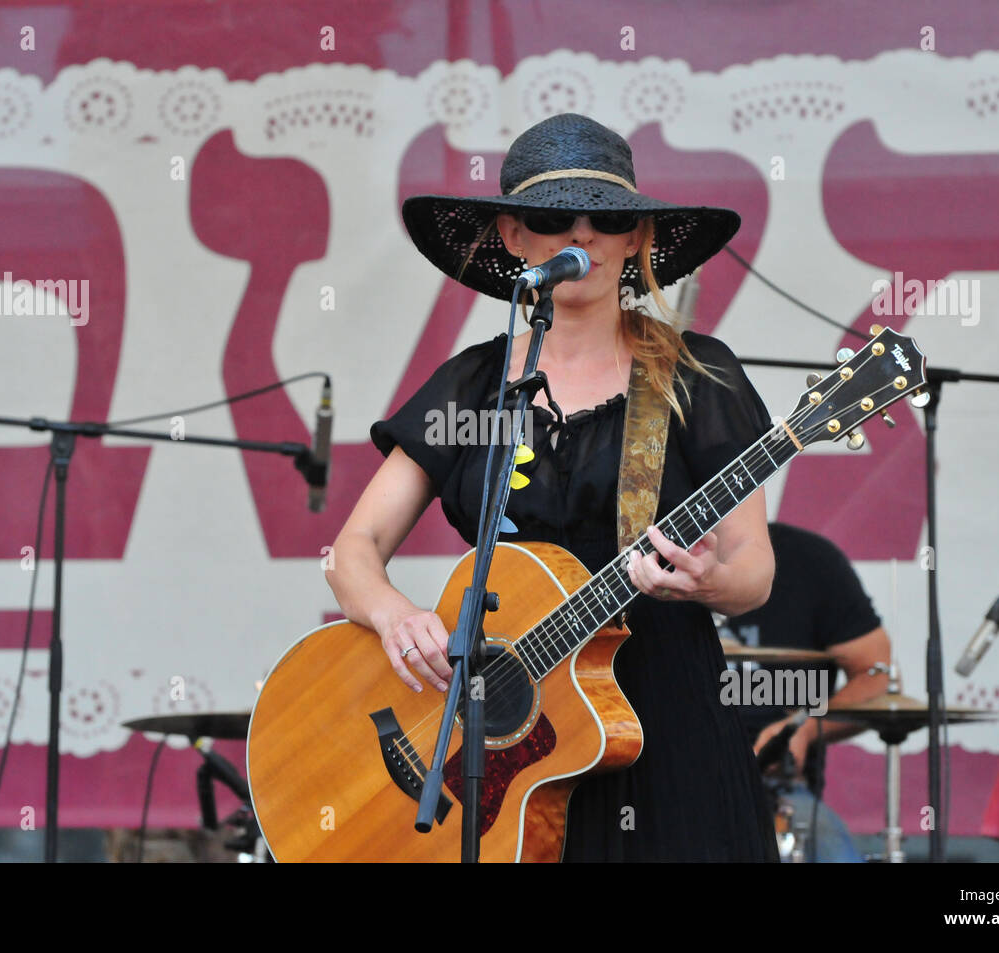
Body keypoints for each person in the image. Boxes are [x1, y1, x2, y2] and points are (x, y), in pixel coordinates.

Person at [326, 112, 779, 861]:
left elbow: (754, 571)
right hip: (505, 739)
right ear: (513, 236)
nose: (582, 235)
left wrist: (707, 581)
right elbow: (352, 550)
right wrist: (397, 616)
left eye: (607, 218)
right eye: (550, 217)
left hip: (662, 723)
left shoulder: (699, 372)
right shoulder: (469, 386)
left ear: (636, 238)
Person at [717, 521, 893, 862]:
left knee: (833, 852)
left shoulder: (811, 561)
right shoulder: (641, 564)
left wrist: (802, 729)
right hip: (664, 784)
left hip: (774, 788)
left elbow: (874, 676)